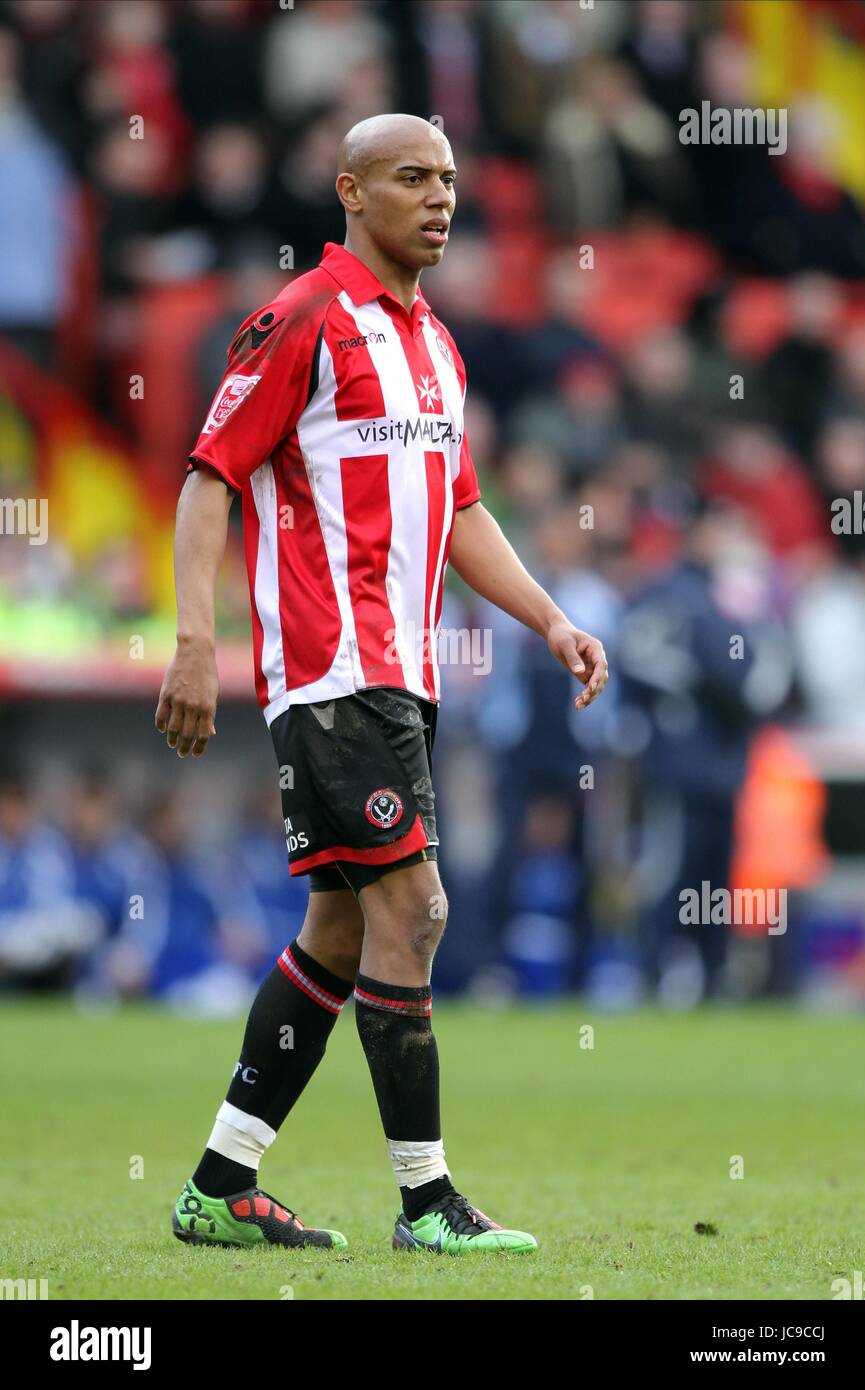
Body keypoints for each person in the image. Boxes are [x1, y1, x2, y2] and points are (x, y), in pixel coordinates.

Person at [155, 113, 608, 1256]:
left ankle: (220, 1183)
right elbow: (208, 479)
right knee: (419, 908)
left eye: (450, 179)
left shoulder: (435, 345)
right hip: (330, 668)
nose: (439, 198)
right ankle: (426, 1203)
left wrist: (549, 616)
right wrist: (196, 642)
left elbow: (457, 509)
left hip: (397, 675)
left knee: (347, 931)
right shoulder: (300, 320)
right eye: (412, 178)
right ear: (350, 191)